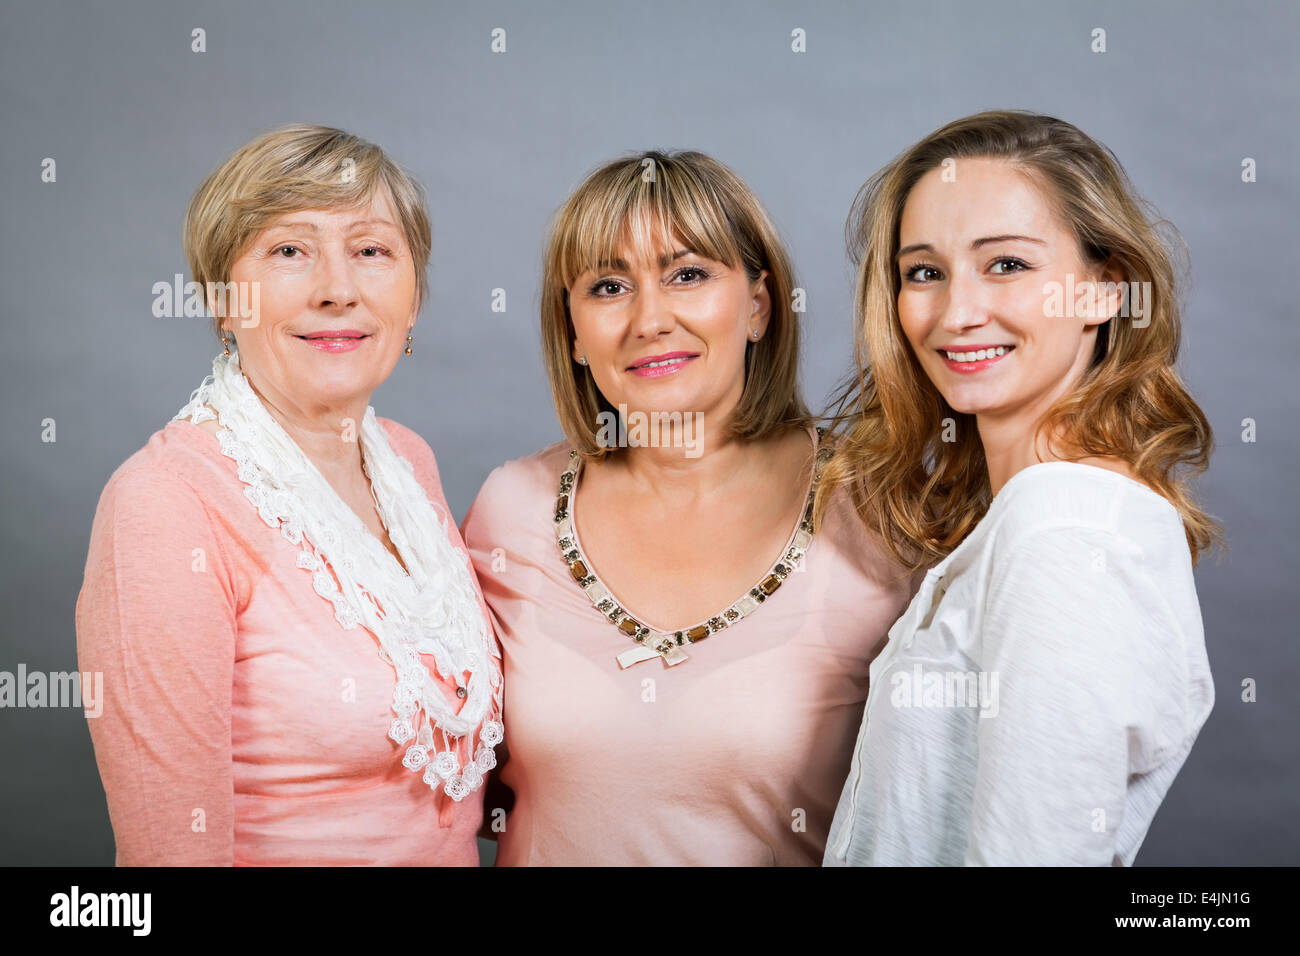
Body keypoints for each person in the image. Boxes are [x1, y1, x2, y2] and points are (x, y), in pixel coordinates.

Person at [461, 150, 919, 865]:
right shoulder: (509, 508)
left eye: (689, 274)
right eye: (609, 286)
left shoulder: (882, 507)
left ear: (760, 306)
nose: (651, 318)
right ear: (575, 334)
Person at [76, 124, 503, 865]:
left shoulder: (408, 461)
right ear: (222, 299)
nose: (338, 289)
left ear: (414, 297)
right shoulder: (164, 505)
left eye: (371, 251)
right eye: (289, 251)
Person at [818, 110, 1222, 866]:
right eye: (924, 273)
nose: (958, 313)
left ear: (1107, 290)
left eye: (1006, 264)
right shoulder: (1025, 519)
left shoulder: (1062, 527)